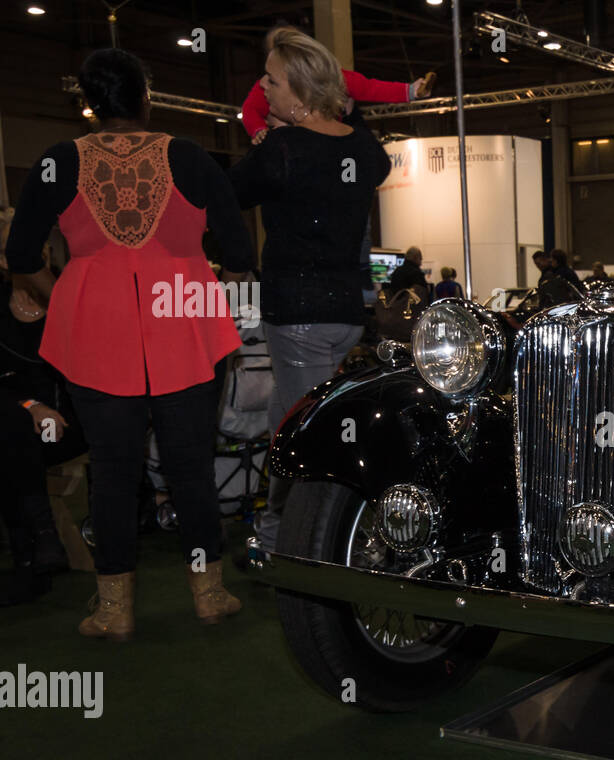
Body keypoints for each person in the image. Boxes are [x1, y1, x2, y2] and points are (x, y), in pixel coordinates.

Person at [5, 48, 254, 638]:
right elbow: (241, 252)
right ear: (146, 95)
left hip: (95, 328)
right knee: (191, 466)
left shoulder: (56, 161)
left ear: (87, 103)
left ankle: (114, 609)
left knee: (113, 472)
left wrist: (54, 292)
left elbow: (19, 255)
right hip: (186, 321)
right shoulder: (190, 156)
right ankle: (209, 593)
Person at [229, 27, 392, 551]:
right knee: (289, 416)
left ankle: (310, 544)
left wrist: (279, 133)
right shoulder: (364, 149)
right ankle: (276, 532)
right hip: (347, 310)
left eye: (272, 80)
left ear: (296, 89)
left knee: (307, 433)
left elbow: (228, 194)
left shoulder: (282, 150)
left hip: (297, 312)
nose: (263, 87)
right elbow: (370, 158)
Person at [0, 210, 86, 605]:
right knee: (12, 426)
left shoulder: (69, 298)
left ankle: (30, 554)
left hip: (70, 422)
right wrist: (32, 406)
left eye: (40, 249)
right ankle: (41, 545)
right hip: (23, 423)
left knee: (10, 432)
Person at [243, 63, 434, 145]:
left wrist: (409, 91)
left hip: (331, 148)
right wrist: (258, 130)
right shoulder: (269, 84)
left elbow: (370, 88)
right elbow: (250, 109)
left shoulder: (335, 78)